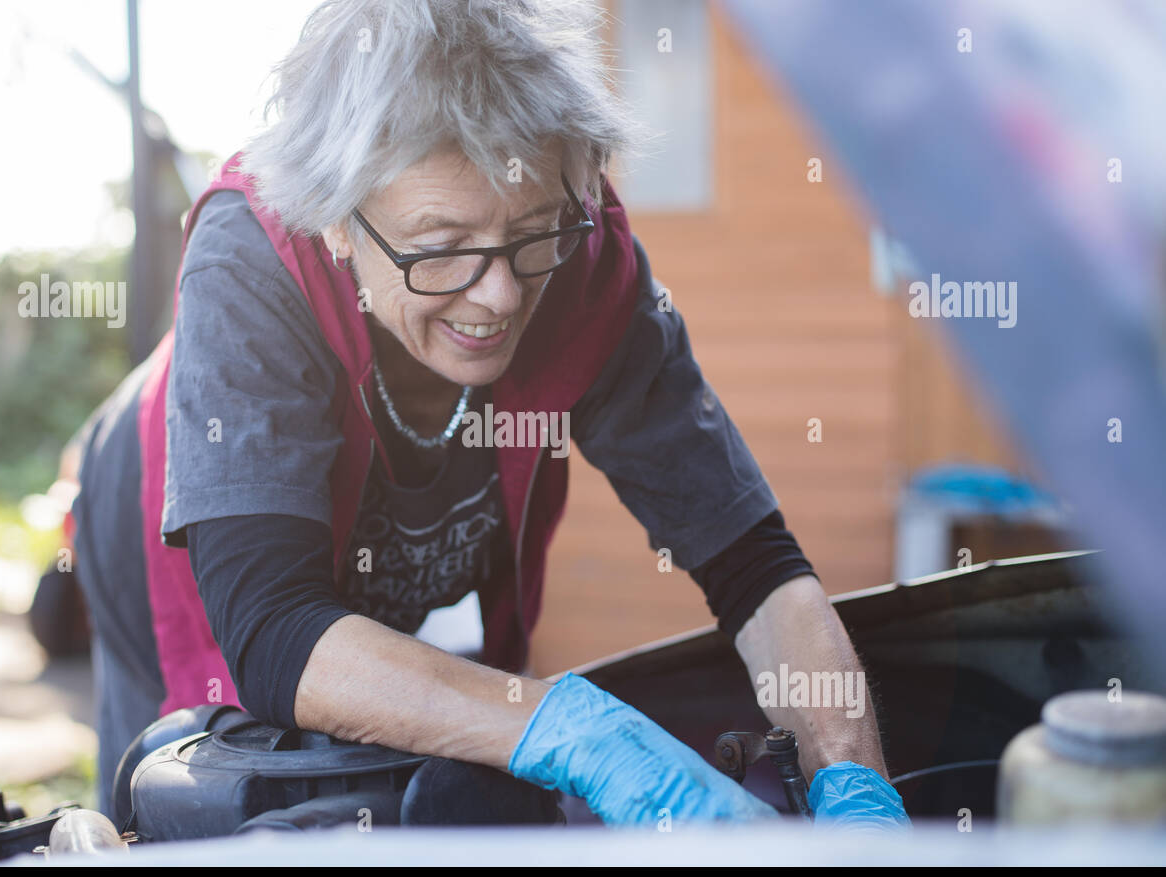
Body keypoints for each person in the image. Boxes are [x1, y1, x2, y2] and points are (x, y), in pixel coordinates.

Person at [72, 0, 907, 830]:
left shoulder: (586, 257)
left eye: (532, 234)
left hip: (362, 569)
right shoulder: (247, 263)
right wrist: (579, 731)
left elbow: (755, 565)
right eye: (441, 249)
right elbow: (277, 635)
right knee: (192, 799)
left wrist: (856, 782)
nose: (500, 296)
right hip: (170, 523)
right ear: (335, 222)